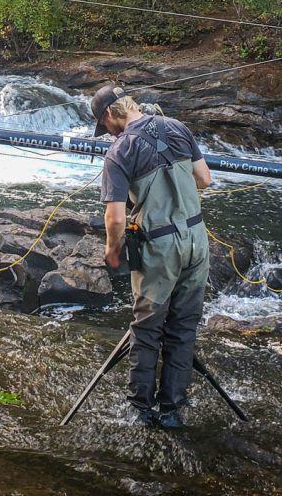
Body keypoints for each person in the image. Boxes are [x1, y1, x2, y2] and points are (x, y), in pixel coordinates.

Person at [93, 83, 212, 428]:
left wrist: (113, 250)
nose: (107, 134)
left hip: (159, 247)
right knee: (182, 328)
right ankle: (172, 410)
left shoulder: (120, 151)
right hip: (196, 240)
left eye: (105, 126)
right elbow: (204, 179)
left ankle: (140, 411)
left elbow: (115, 216)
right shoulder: (178, 127)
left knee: (146, 330)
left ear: (111, 114)